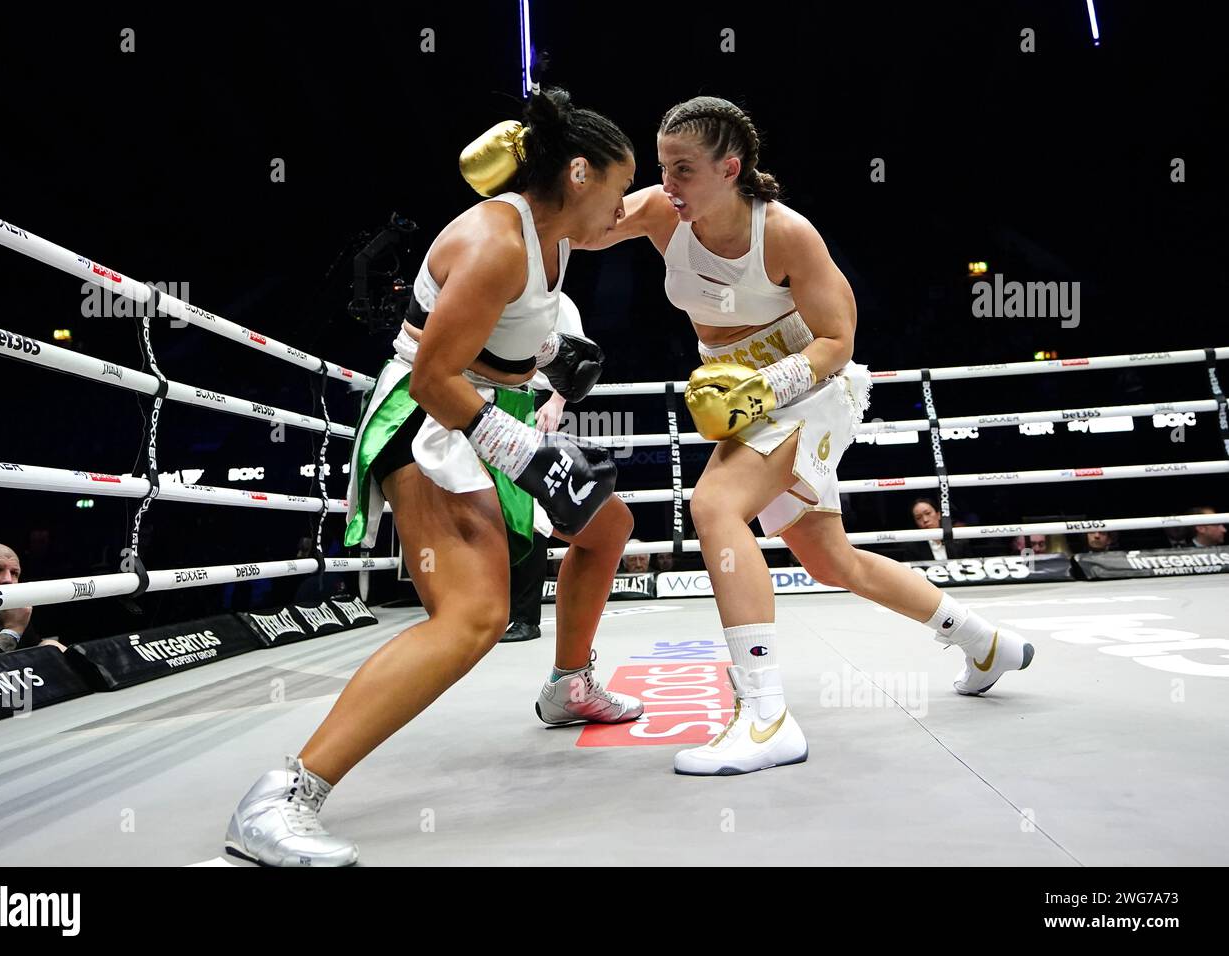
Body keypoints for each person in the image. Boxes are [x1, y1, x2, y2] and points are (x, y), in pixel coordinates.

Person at [226, 89, 642, 866]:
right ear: (581, 175)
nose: (623, 210)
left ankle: (569, 685)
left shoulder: (558, 232)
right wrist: (521, 451)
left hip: (485, 409)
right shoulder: (496, 242)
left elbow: (654, 212)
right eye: (618, 190)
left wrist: (547, 359)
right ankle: (283, 795)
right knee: (472, 614)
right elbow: (432, 380)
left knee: (606, 526)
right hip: (430, 417)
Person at [576, 95, 1033, 775]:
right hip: (744, 398)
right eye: (662, 166)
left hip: (812, 388)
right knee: (828, 560)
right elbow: (574, 231)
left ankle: (766, 717)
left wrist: (769, 386)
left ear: (730, 168)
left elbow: (838, 340)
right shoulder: (655, 211)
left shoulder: (786, 234)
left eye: (683, 170)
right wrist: (543, 180)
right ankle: (986, 642)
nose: (666, 184)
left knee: (713, 505)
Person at [502, 292, 588, 644]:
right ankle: (499, 611)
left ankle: (525, 617)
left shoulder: (559, 302)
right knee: (494, 505)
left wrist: (556, 401)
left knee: (529, 508)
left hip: (536, 405)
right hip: (496, 399)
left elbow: (579, 359)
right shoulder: (502, 293)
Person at [902, 496, 972, 561]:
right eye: (918, 518)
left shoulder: (959, 540)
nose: (925, 520)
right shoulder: (912, 548)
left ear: (938, 514)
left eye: (928, 513)